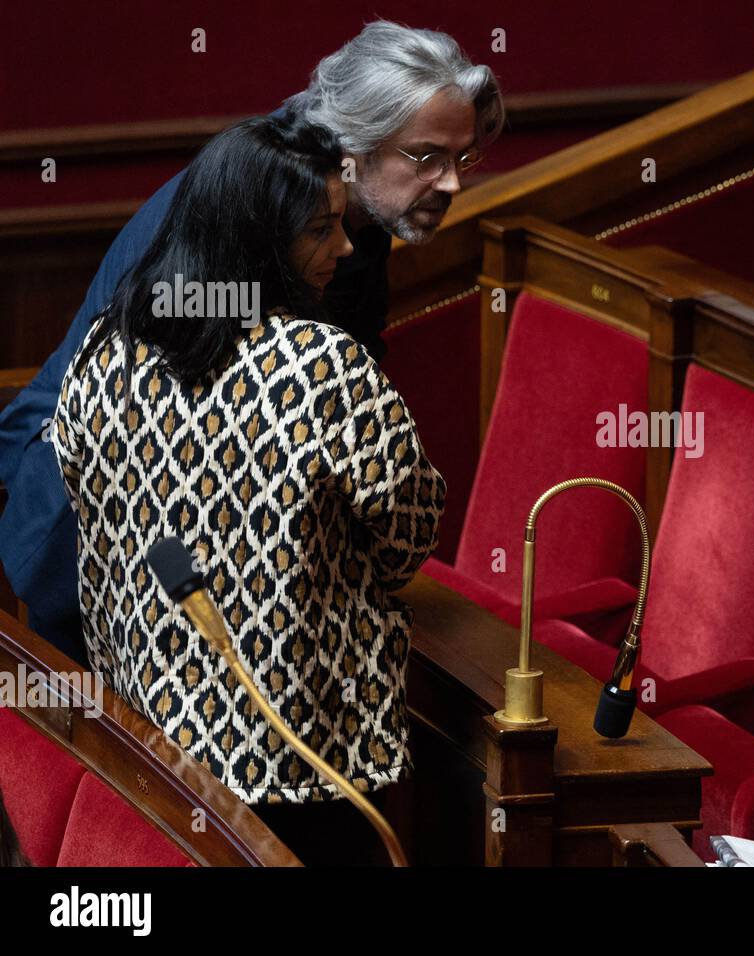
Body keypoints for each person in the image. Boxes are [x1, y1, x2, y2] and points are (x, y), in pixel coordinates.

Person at [0, 20, 503, 663]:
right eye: (428, 157)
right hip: (88, 524)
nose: (453, 183)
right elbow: (164, 388)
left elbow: (353, 365)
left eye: (463, 158)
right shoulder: (243, 200)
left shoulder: (362, 209)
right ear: (354, 143)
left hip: (203, 554)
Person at [50, 113, 445, 866]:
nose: (345, 247)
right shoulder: (322, 364)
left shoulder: (108, 343)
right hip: (303, 761)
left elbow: (77, 484)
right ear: (254, 239)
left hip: (147, 749)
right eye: (320, 229)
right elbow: (410, 529)